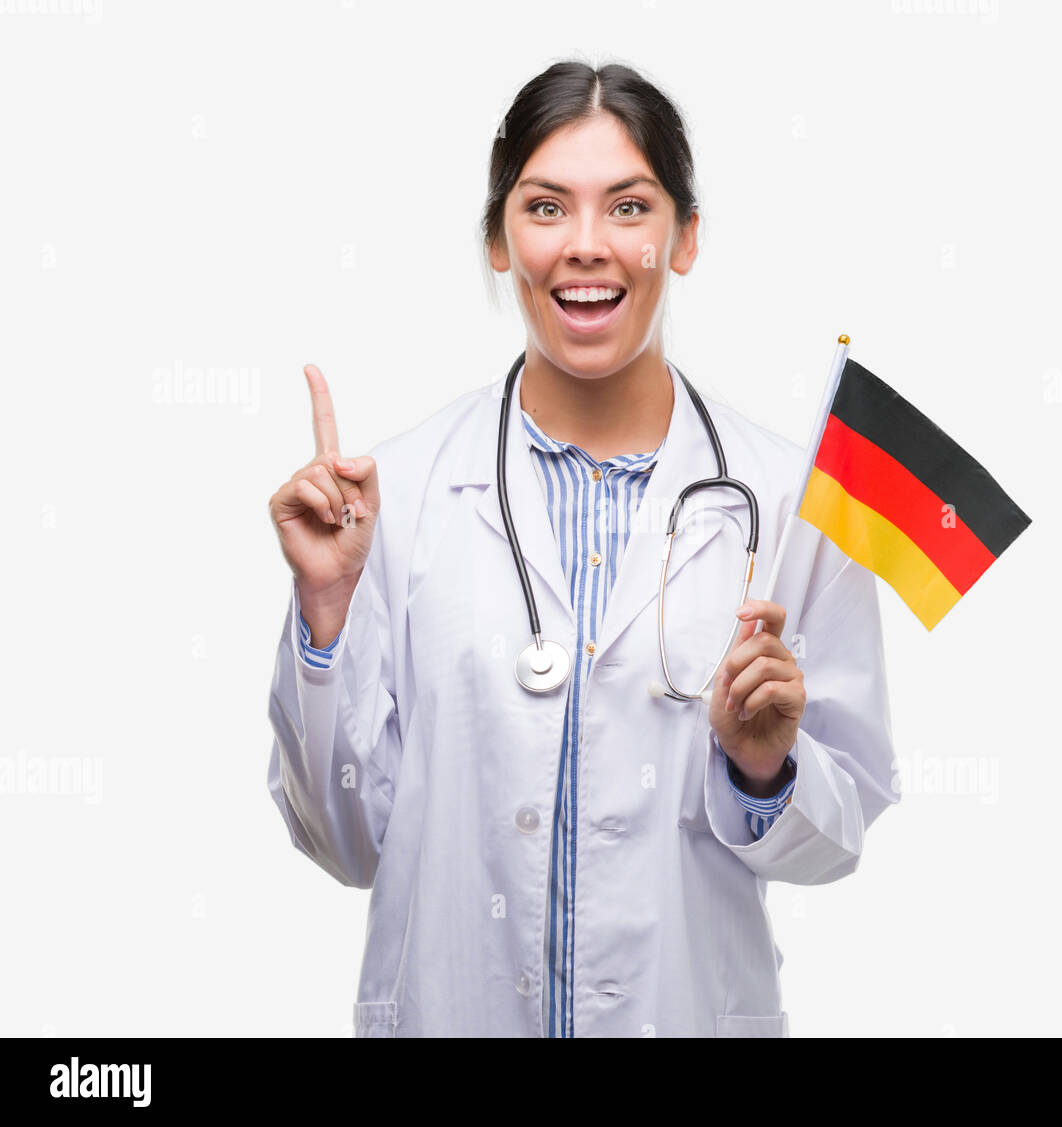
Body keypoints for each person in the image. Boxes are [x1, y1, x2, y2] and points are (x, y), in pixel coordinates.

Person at [266, 59, 897, 1038]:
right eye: (547, 207)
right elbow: (343, 841)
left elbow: (835, 838)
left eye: (631, 207)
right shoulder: (390, 500)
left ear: (683, 239)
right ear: (497, 239)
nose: (588, 247)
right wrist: (323, 619)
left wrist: (763, 769)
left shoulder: (790, 504)